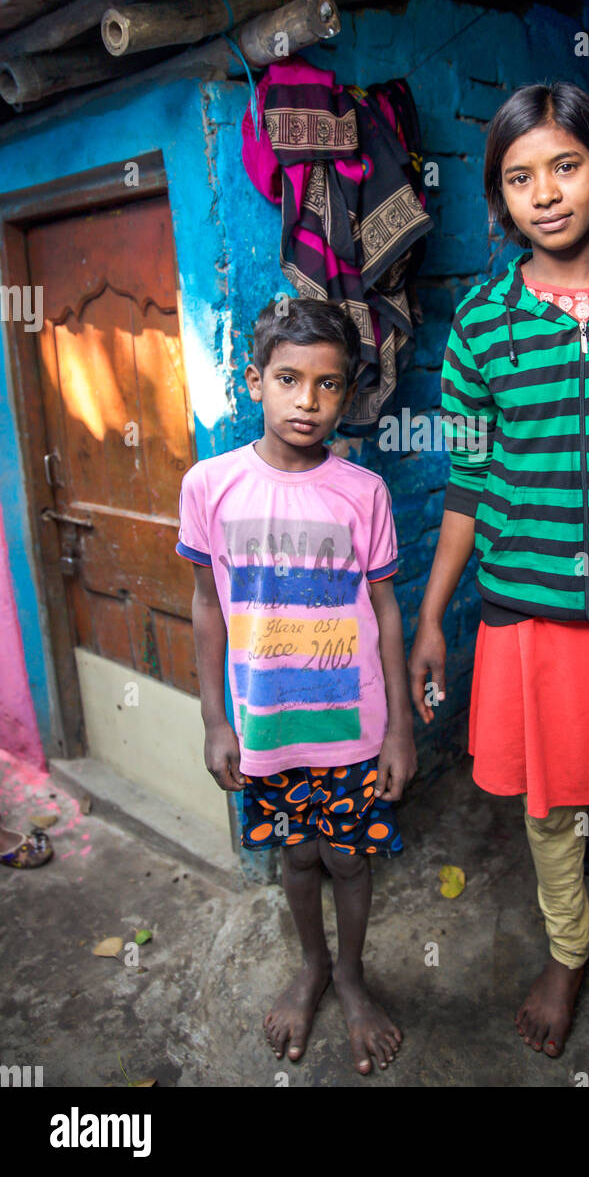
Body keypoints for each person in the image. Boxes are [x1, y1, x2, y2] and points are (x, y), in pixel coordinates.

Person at [409, 82, 589, 1088]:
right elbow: (469, 480)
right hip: (526, 619)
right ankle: (564, 958)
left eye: (564, 166)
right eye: (518, 178)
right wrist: (433, 615)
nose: (545, 193)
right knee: (546, 811)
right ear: (498, 198)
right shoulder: (480, 324)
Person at [176, 297, 417, 1075]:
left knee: (350, 857)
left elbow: (384, 607)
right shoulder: (210, 486)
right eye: (289, 379)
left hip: (350, 725)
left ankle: (349, 974)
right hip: (265, 728)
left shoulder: (362, 493)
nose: (307, 401)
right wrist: (218, 719)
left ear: (347, 394)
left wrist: (400, 728)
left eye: (328, 385)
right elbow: (208, 606)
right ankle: (311, 964)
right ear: (255, 382)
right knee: (299, 851)